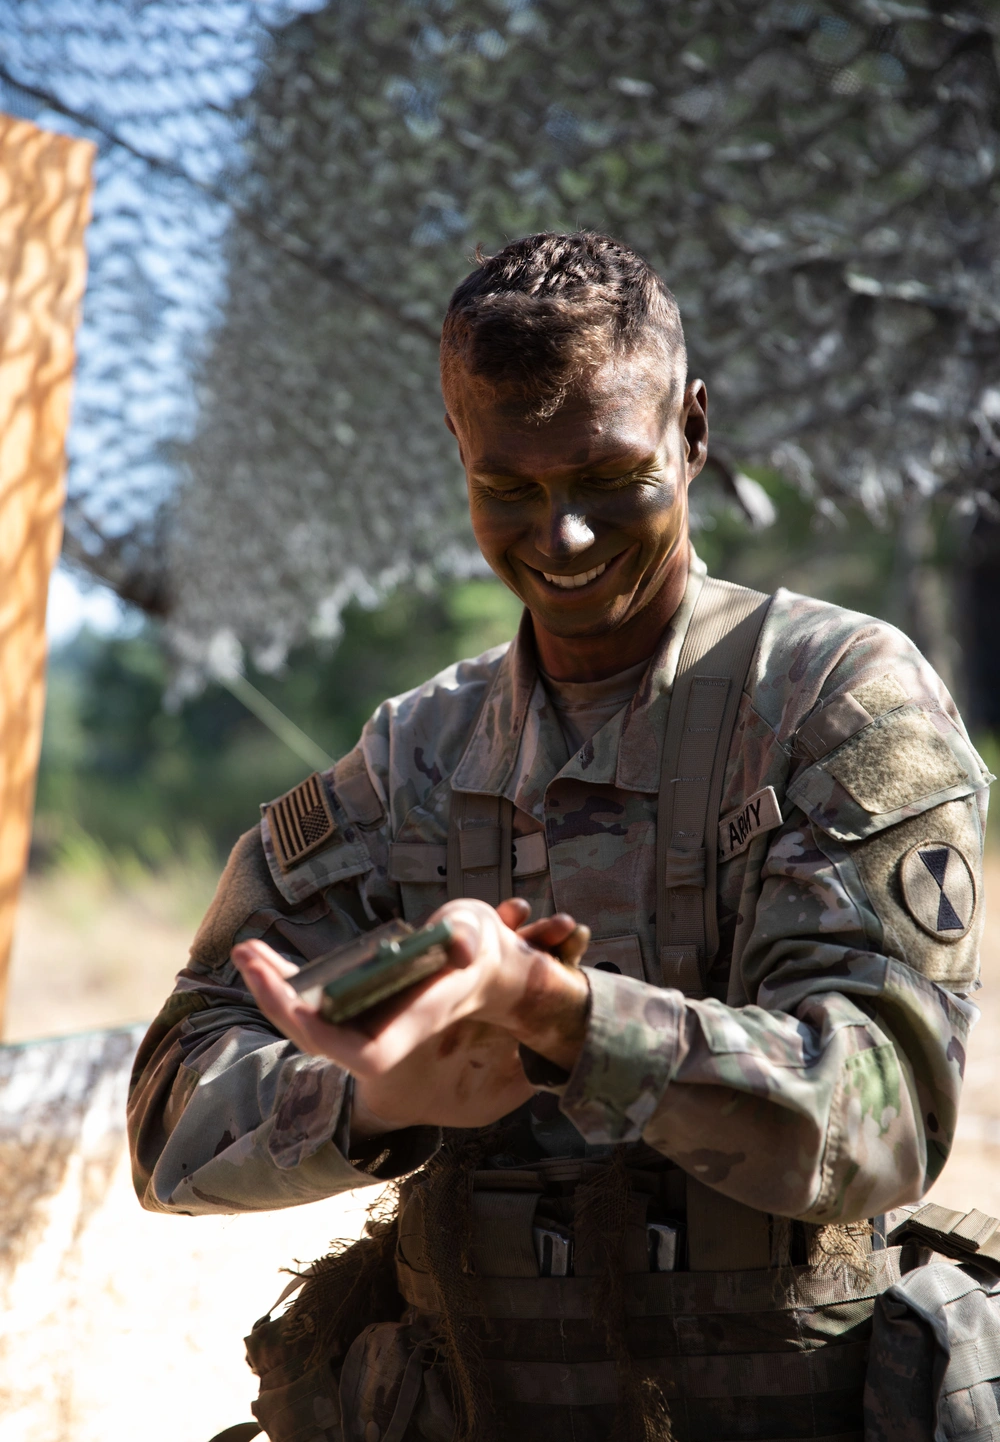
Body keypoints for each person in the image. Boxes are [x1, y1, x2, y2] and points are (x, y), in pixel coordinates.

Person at [128, 232, 992, 1442]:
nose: (563, 536)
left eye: (607, 477)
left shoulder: (832, 700)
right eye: (510, 489)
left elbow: (885, 1114)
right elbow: (168, 1112)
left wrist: (566, 1018)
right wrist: (373, 1105)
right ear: (460, 461)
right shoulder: (414, 757)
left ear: (691, 432)